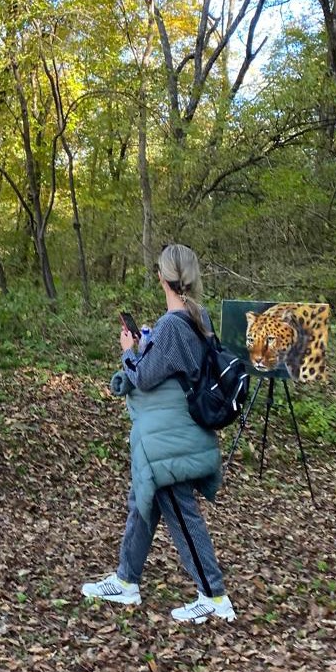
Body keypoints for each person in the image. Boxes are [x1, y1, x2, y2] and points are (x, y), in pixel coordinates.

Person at [82, 244, 236, 623]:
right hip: (176, 431)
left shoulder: (171, 325)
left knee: (181, 513)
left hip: (170, 436)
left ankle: (214, 597)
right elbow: (174, 365)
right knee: (143, 503)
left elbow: (144, 375)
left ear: (161, 277)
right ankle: (126, 580)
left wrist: (130, 350)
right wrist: (147, 345)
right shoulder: (198, 317)